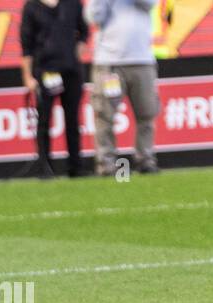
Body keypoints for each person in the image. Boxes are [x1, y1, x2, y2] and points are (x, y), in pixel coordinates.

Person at [87, 0, 161, 176]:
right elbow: (93, 17)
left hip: (142, 60)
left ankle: (145, 159)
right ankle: (107, 163)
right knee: (105, 115)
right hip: (109, 63)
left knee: (147, 113)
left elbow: (150, 3)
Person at [19, 0, 89, 179]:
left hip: (71, 70)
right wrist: (28, 77)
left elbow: (84, 31)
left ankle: (76, 167)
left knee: (72, 119)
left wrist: (77, 50)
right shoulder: (32, 7)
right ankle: (45, 167)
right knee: (43, 120)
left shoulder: (72, 4)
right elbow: (26, 46)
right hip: (45, 70)